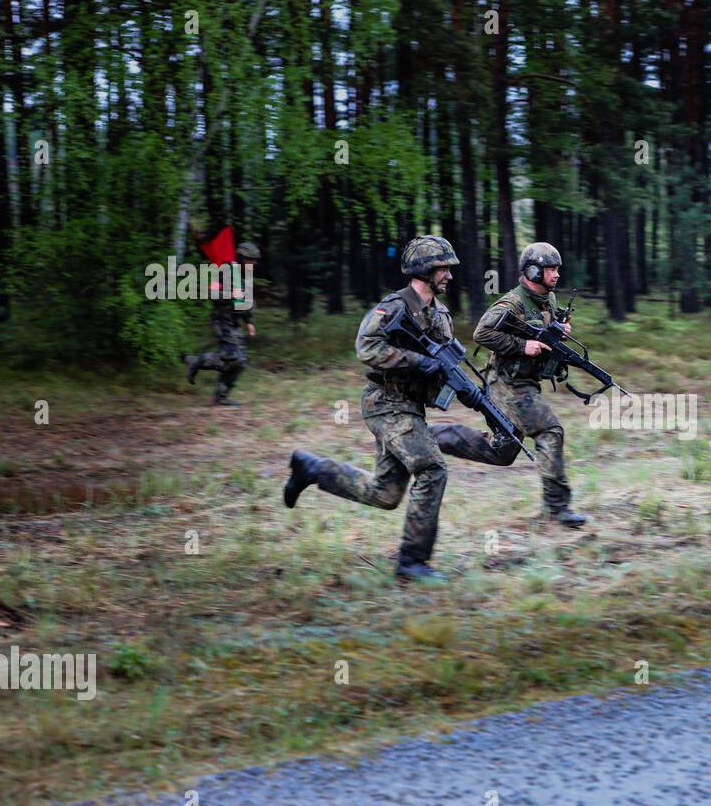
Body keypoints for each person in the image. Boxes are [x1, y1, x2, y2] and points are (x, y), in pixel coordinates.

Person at [282, 235, 522, 583]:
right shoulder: (393, 308)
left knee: (385, 493)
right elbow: (366, 347)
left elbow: (443, 366)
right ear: (424, 270)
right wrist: (415, 361)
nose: (449, 276)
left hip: (410, 408)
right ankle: (412, 562)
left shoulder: (441, 315)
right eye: (443, 269)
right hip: (385, 404)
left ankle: (312, 469)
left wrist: (470, 394)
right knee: (432, 469)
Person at [472, 241, 588, 528]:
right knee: (550, 431)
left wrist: (558, 332)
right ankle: (557, 508)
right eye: (550, 269)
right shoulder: (511, 302)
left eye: (557, 269)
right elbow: (481, 333)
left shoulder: (547, 299)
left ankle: (443, 437)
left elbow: (543, 329)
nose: (556, 274)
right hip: (506, 384)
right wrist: (522, 346)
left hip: (526, 382)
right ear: (533, 271)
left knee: (504, 451)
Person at [185, 241, 260, 407]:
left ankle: (221, 396)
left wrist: (249, 322)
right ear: (241, 258)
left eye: (255, 260)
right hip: (221, 321)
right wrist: (230, 294)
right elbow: (210, 292)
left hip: (234, 323)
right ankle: (196, 361)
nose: (253, 263)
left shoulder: (245, 276)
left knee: (239, 362)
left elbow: (245, 300)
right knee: (232, 357)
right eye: (250, 259)